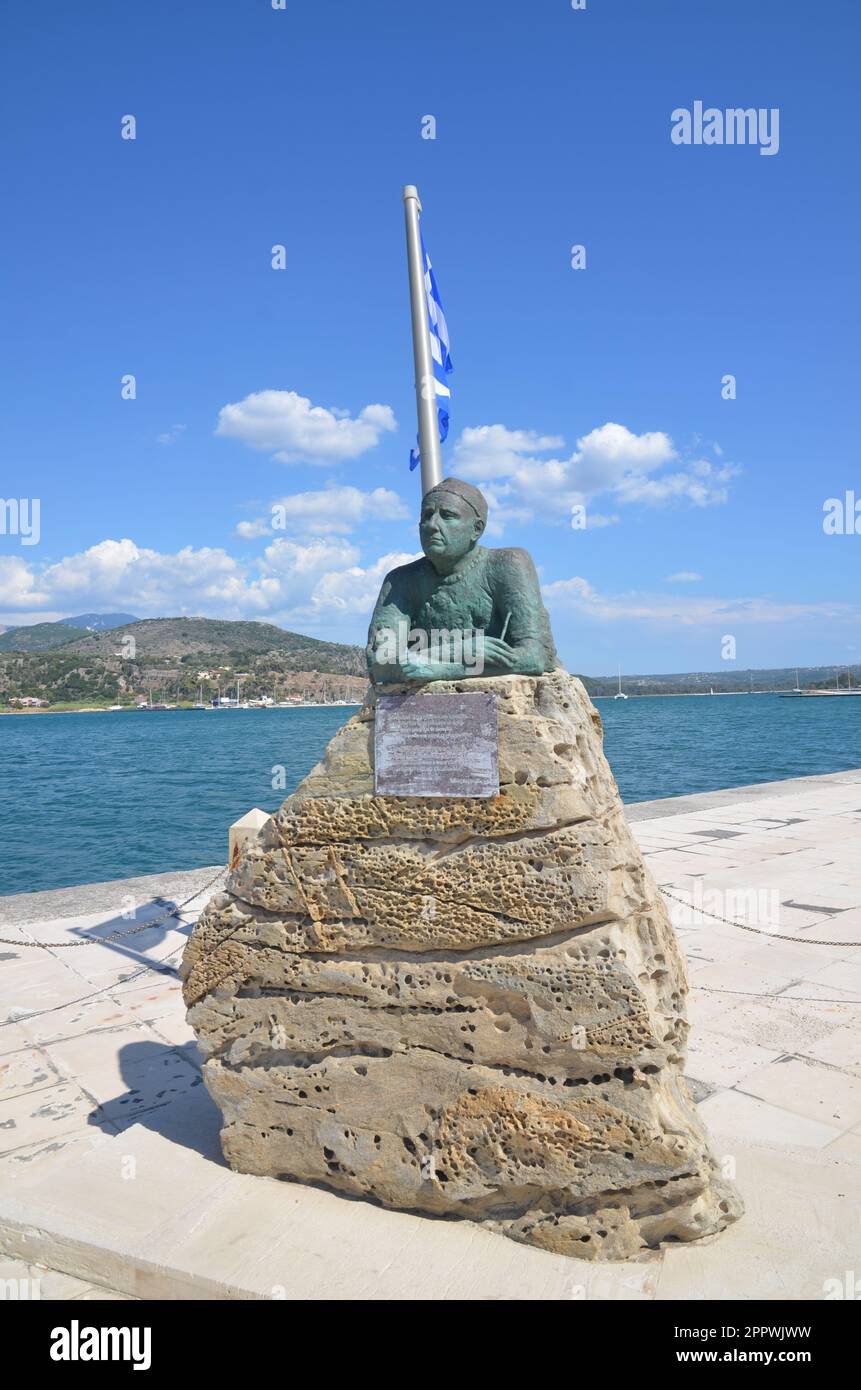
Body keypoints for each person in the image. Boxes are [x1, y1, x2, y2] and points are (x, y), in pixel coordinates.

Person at [366, 477, 558, 683]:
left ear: (476, 529)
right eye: (427, 515)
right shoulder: (399, 581)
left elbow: (534, 658)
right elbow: (380, 664)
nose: (432, 525)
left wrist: (443, 670)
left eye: (447, 516)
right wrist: (459, 650)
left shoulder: (508, 564)